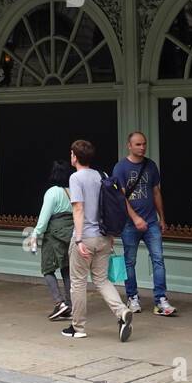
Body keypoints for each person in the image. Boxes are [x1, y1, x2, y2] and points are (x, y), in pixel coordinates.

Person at [62, 139, 134, 341]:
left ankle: (78, 327)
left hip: (85, 237)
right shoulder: (101, 175)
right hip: (104, 236)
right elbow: (109, 208)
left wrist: (78, 240)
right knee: (102, 280)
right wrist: (110, 236)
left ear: (75, 157)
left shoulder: (76, 178)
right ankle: (121, 311)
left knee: (78, 282)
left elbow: (78, 208)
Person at [113, 131, 176, 317]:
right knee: (130, 261)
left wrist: (161, 217)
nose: (142, 147)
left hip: (151, 222)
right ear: (129, 146)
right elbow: (121, 197)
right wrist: (135, 218)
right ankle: (132, 297)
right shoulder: (121, 168)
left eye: (144, 144)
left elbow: (156, 192)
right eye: (138, 144)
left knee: (158, 259)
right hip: (129, 224)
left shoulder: (150, 166)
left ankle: (161, 300)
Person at [31, 159, 74, 320]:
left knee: (47, 269)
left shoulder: (52, 192)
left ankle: (59, 303)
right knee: (67, 270)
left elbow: (44, 218)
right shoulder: (73, 191)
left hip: (53, 235)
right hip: (71, 232)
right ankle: (71, 306)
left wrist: (36, 233)